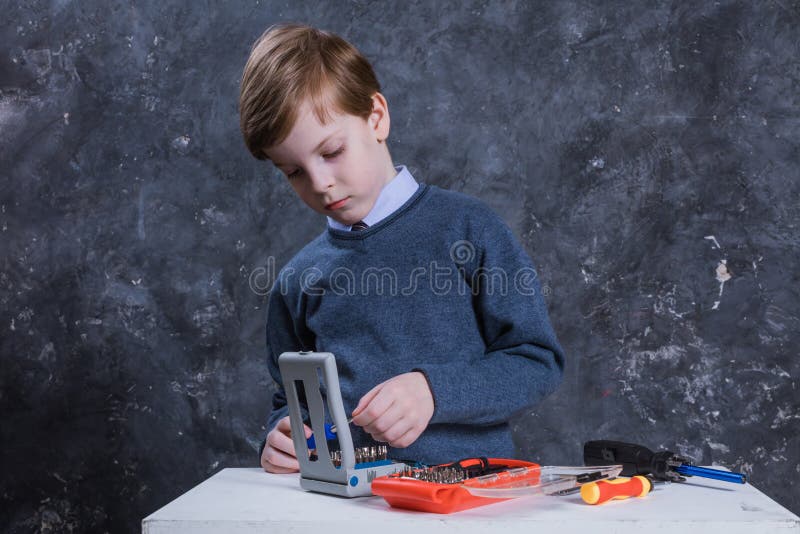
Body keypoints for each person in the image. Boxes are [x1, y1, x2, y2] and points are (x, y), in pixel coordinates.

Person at [239, 22, 566, 474]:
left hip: (468, 496)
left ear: (376, 117)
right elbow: (290, 399)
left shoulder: (469, 229)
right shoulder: (297, 279)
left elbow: (537, 362)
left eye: (331, 151)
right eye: (293, 171)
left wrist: (435, 391)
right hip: (344, 509)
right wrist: (281, 435)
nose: (319, 183)